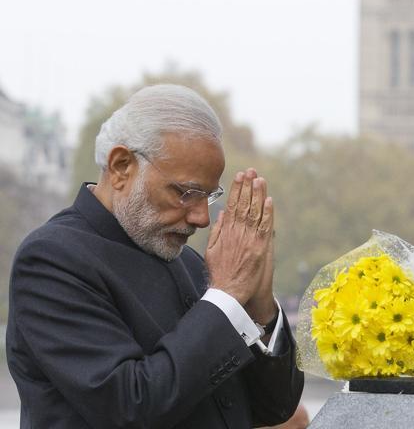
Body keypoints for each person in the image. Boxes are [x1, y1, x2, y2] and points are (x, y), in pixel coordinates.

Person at [5, 84, 304, 428]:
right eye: (185, 193)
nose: (201, 218)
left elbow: (274, 409)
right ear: (121, 167)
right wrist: (226, 297)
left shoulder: (190, 265)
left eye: (208, 196)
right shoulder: (51, 260)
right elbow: (130, 407)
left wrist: (260, 310)